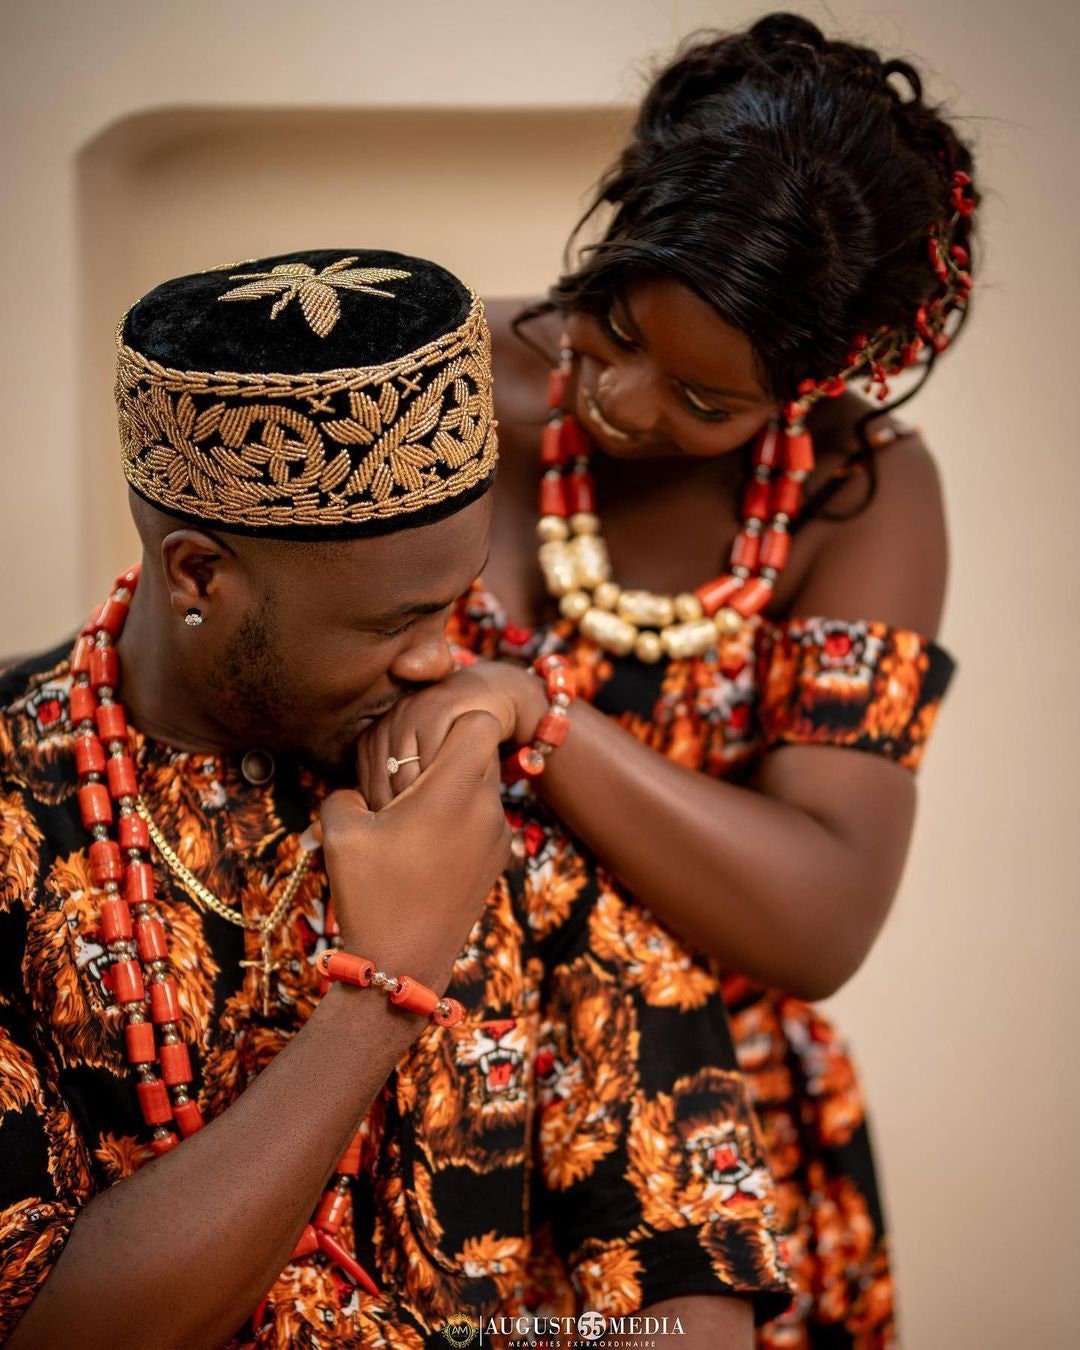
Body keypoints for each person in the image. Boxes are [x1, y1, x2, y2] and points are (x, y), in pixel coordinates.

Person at [0, 248, 793, 1348]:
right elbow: (51, 1326)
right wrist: (382, 996)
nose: (441, 662)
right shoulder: (13, 800)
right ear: (197, 576)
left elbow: (692, 1298)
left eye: (456, 603)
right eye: (393, 626)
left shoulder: (505, 763)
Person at [363, 15, 972, 1346]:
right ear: (621, 220)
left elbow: (822, 917)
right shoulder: (428, 380)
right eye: (616, 322)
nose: (626, 400)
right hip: (393, 1117)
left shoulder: (854, 494)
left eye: (708, 404)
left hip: (706, 1165)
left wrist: (545, 715)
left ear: (818, 385)